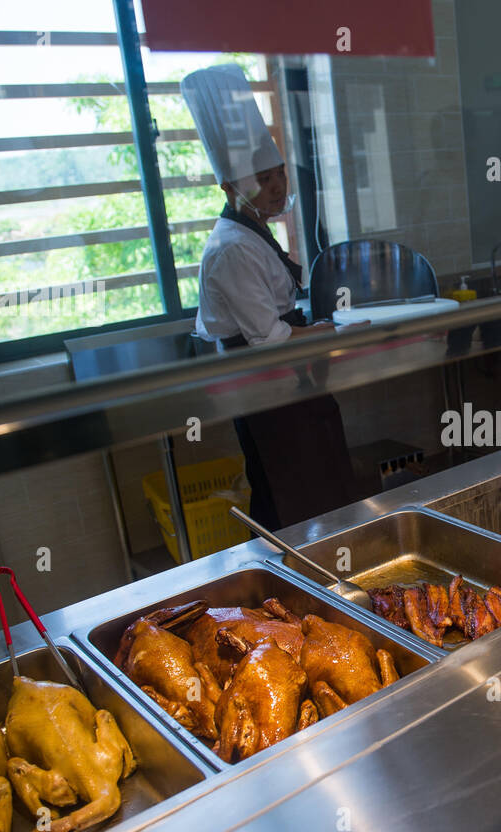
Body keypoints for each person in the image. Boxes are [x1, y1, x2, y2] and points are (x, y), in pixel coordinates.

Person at [182, 64, 359, 530]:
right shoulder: (231, 248)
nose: (278, 186)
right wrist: (325, 334)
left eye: (279, 173)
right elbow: (268, 339)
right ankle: (301, 588)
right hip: (265, 388)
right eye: (263, 179)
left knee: (325, 489)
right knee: (293, 497)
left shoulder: (253, 232)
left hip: (287, 383)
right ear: (229, 188)